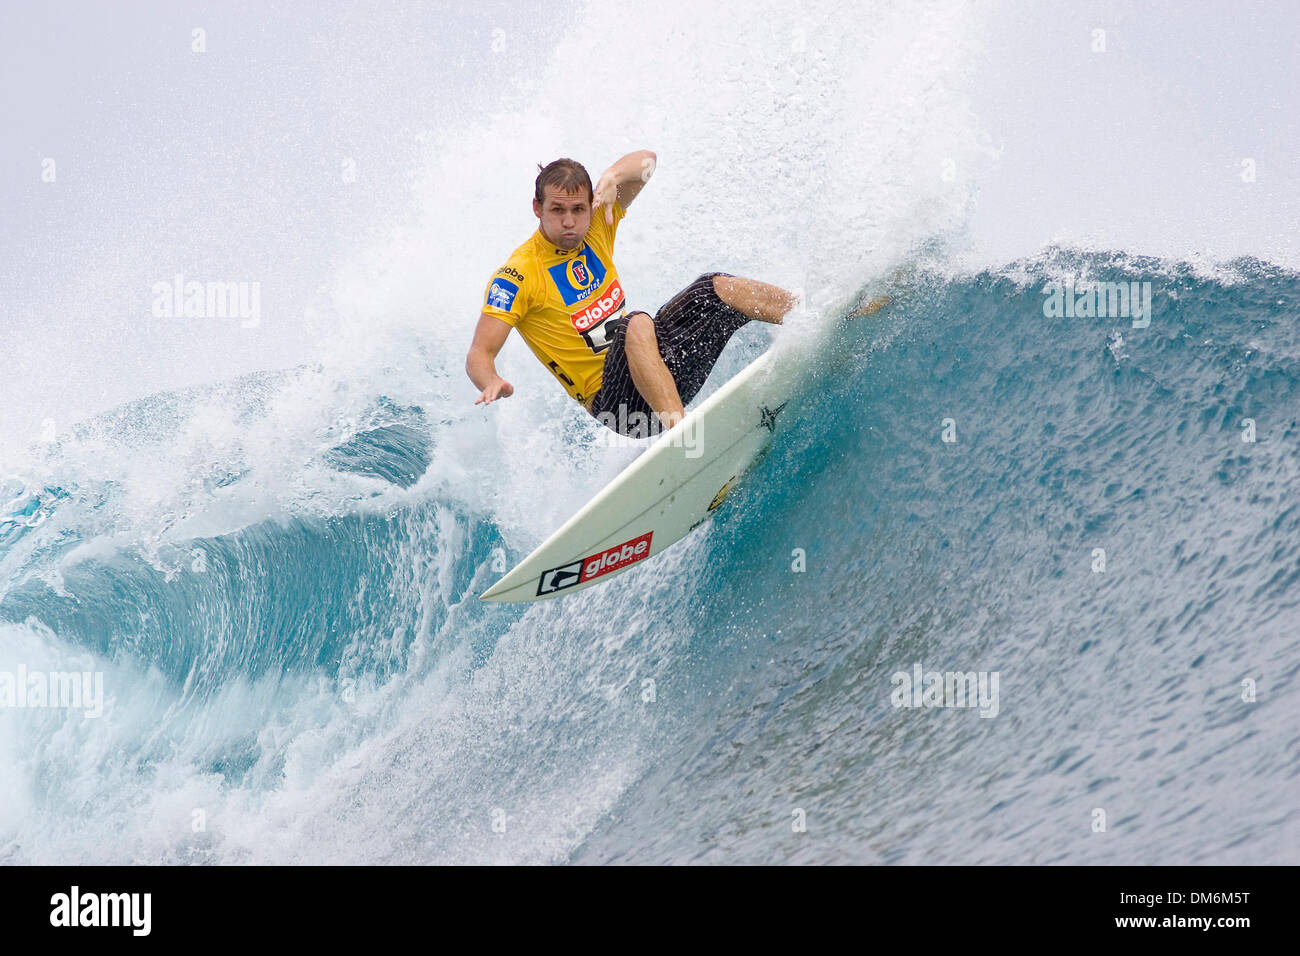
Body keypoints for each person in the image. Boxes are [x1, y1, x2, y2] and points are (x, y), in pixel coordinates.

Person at [465, 151, 808, 438]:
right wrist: (490, 380)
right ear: (537, 208)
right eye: (557, 210)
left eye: (578, 210)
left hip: (665, 377)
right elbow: (479, 354)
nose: (569, 221)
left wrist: (613, 176)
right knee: (636, 324)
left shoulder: (599, 224)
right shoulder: (518, 275)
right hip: (620, 409)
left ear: (591, 204)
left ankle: (811, 316)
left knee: (715, 288)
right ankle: (683, 439)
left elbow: (648, 164)